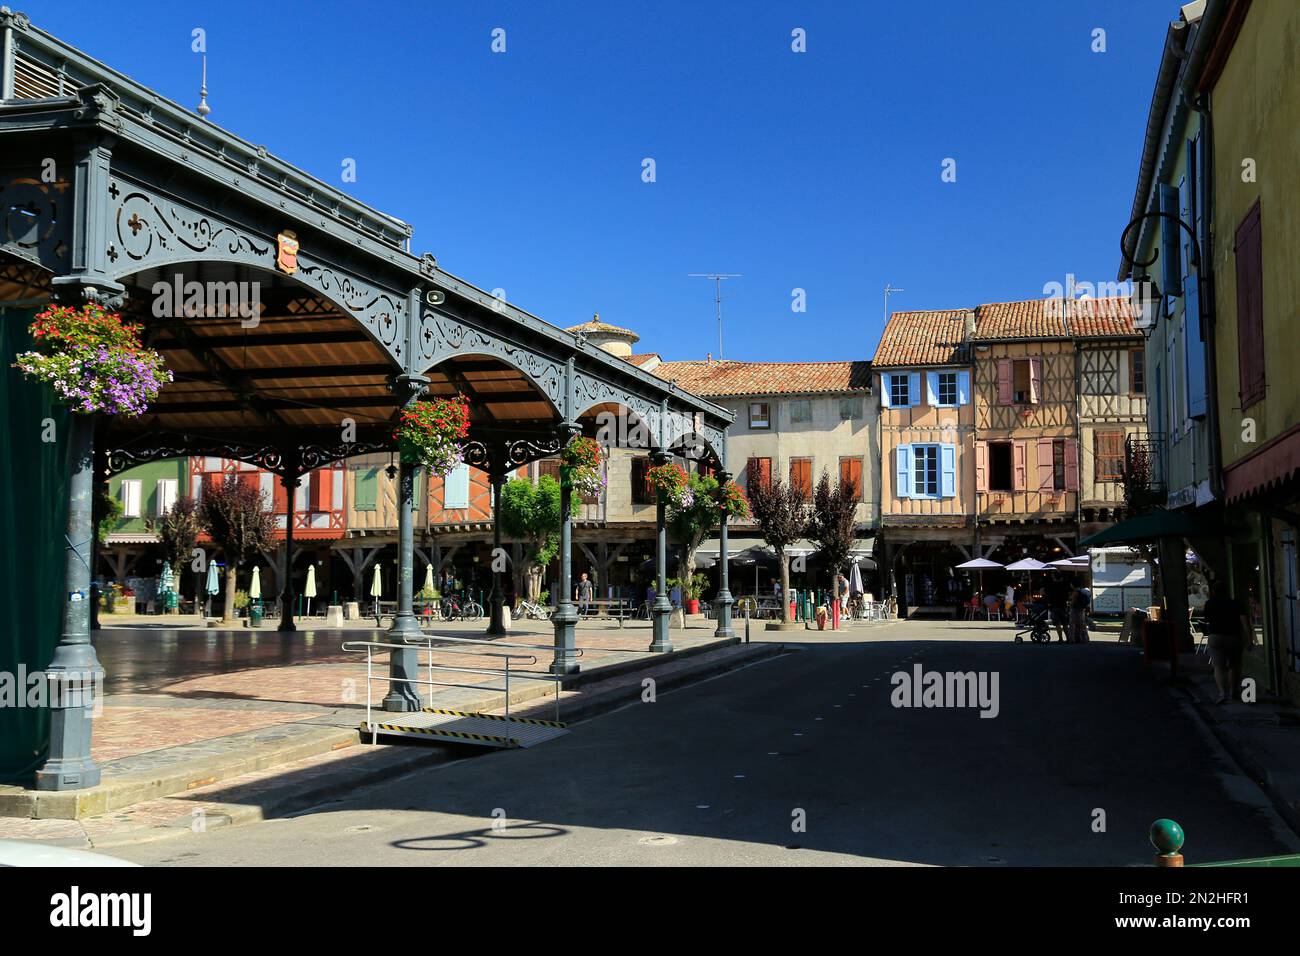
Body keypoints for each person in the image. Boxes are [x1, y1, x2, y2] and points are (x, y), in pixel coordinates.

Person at [1202, 580, 1253, 704]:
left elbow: (1207, 619)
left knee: (1218, 667)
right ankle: (1232, 692)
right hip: (1233, 637)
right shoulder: (1236, 604)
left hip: (1215, 637)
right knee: (1233, 666)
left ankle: (1222, 693)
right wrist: (1249, 640)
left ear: (1213, 591)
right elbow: (1245, 624)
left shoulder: (1209, 604)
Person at [1047, 575, 1070, 642]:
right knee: (1065, 623)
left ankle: (1060, 638)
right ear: (1061, 578)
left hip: (1055, 606)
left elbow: (1049, 596)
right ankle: (1068, 638)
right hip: (1063, 606)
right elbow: (1067, 596)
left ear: (1054, 578)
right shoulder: (1064, 585)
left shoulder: (1052, 586)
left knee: (1057, 624)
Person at [1069, 579, 1092, 643]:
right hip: (1082, 610)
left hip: (1075, 610)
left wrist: (1070, 606)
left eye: (1071, 584)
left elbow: (1073, 601)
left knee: (1073, 624)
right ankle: (1084, 639)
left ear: (1073, 584)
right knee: (1082, 625)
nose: (1070, 585)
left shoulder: (1076, 591)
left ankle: (1072, 639)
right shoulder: (1085, 590)